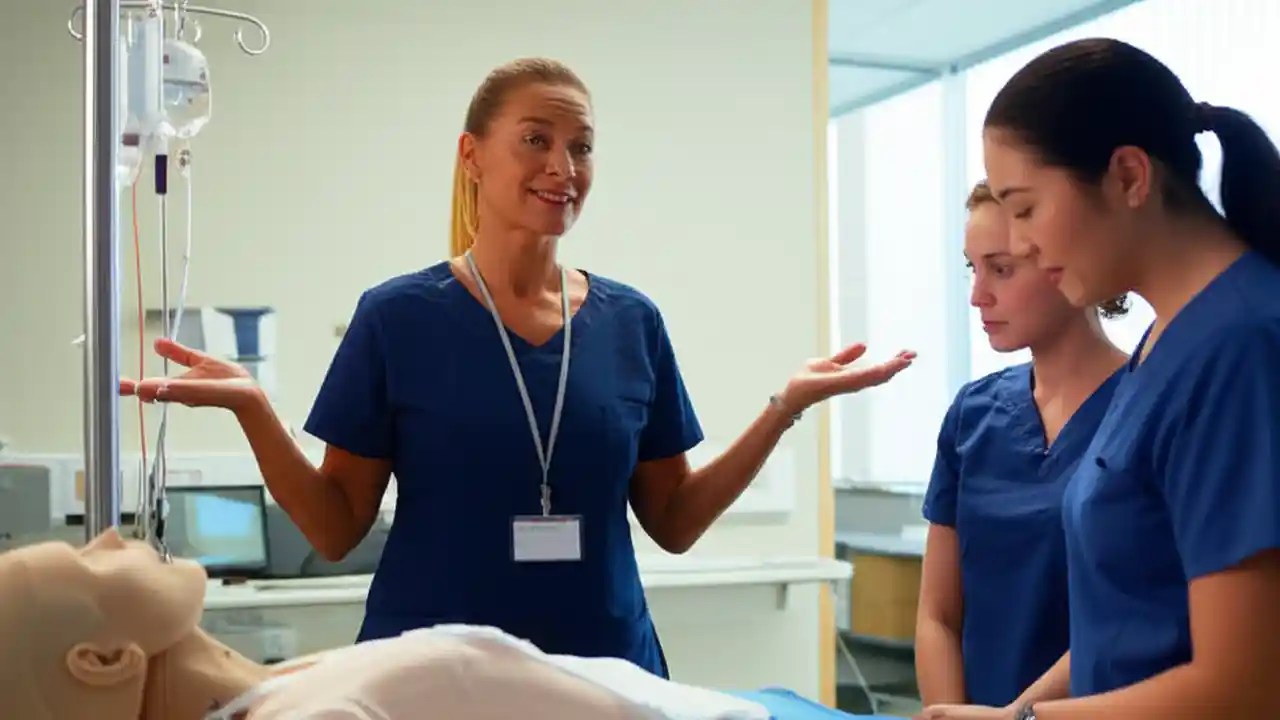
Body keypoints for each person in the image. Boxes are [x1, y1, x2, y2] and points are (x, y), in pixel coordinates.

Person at [120, 57, 915, 680]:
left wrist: (785, 409)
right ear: (472, 155)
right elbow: (333, 529)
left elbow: (673, 521)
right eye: (536, 138)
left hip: (603, 674)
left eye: (582, 145)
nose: (563, 165)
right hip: (432, 676)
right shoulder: (398, 317)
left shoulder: (631, 322)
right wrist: (254, 410)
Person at [917, 37, 1280, 720]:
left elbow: (1246, 688)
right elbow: (1135, 617)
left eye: (1026, 209)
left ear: (1129, 177)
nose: (1020, 245)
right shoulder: (1166, 346)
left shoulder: (1241, 347)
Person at [914, 181, 1128, 709]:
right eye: (972, 268)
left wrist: (1017, 716)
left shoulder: (1148, 406)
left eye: (1001, 269)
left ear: (1064, 264)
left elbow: (1136, 618)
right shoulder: (973, 416)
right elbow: (937, 615)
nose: (977, 294)